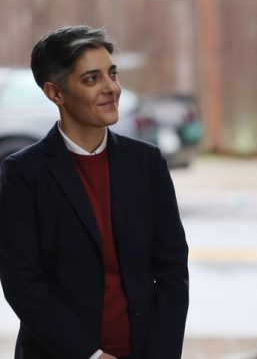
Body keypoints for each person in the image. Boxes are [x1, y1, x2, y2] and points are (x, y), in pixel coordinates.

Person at [0, 26, 189, 358]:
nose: (111, 89)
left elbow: (172, 269)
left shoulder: (147, 163)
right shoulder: (22, 174)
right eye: (92, 79)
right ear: (55, 93)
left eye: (112, 74)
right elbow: (23, 284)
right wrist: (92, 355)